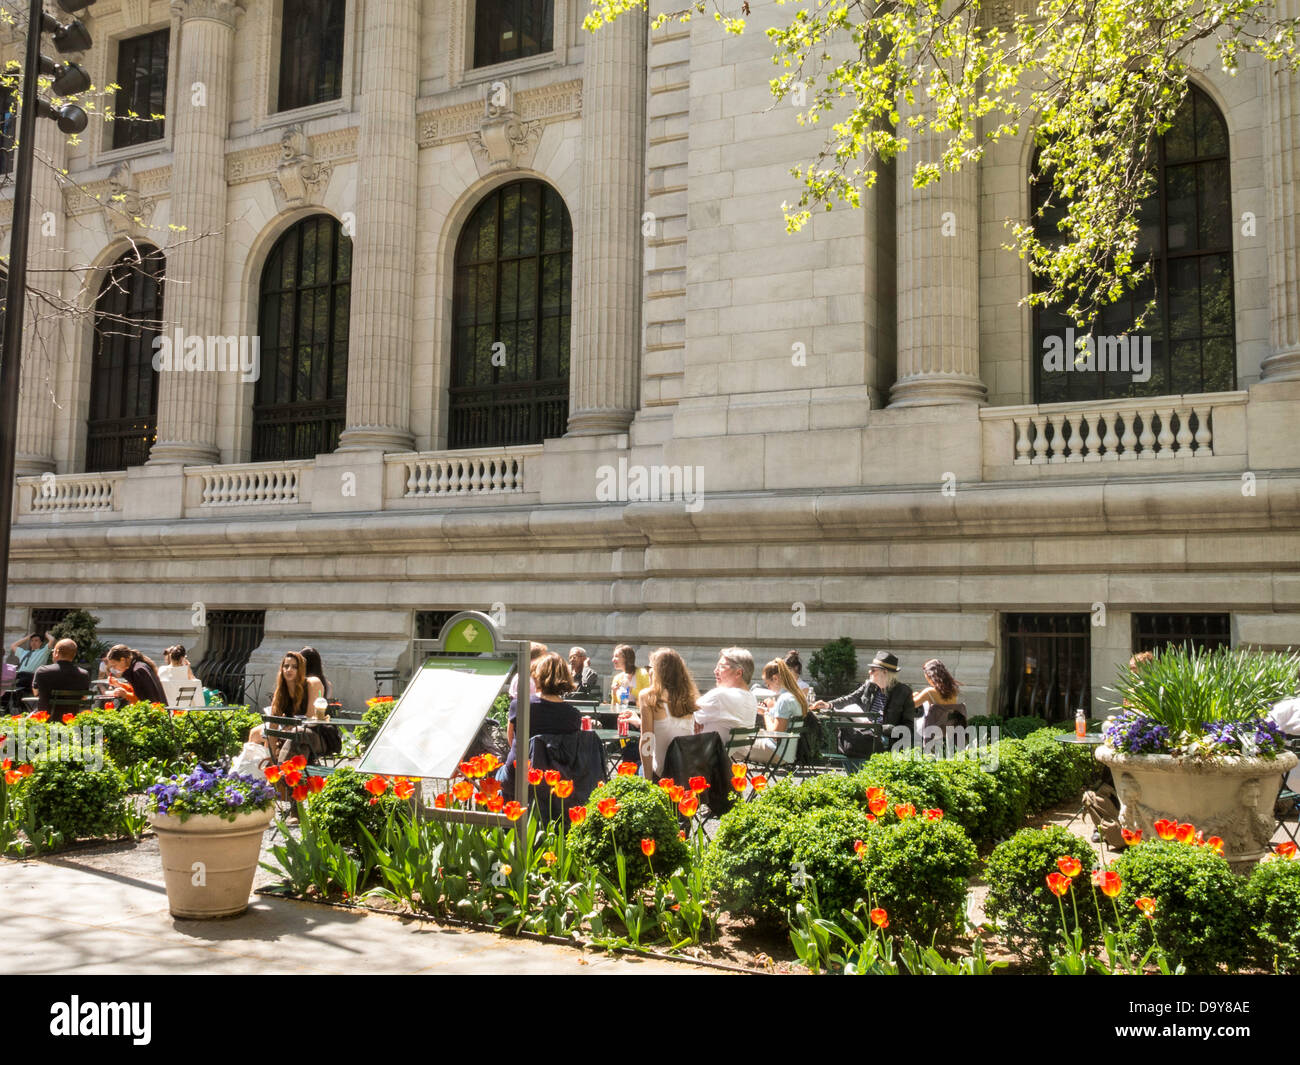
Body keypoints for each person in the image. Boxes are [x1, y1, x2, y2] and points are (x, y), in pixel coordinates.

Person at [811, 650, 916, 753]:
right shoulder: (869, 686)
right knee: (845, 742)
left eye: (873, 670)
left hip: (885, 739)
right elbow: (849, 699)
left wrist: (881, 728)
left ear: (884, 672)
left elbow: (908, 727)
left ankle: (859, 769)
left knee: (851, 746)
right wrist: (828, 705)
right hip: (864, 733)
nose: (869, 672)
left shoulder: (903, 692)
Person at [249, 651, 330, 762]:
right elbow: (273, 724)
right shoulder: (280, 691)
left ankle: (281, 773)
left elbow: (310, 718)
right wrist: (272, 757)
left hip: (316, 733)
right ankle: (258, 771)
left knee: (297, 735)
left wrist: (289, 727)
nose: (289, 670)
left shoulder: (312, 683)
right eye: (286, 666)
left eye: (294, 667)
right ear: (281, 669)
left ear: (301, 669)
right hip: (291, 733)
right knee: (258, 733)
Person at [505, 652, 581, 768]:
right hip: (556, 775)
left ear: (536, 676)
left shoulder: (519, 705)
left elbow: (511, 739)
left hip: (519, 772)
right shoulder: (573, 714)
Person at [635, 647, 699, 778]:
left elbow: (647, 739)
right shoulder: (689, 697)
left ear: (657, 671)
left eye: (650, 667)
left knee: (637, 767)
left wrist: (647, 780)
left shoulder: (648, 696)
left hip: (661, 771)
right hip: (686, 771)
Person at [744, 658, 808, 764]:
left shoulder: (784, 699)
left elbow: (775, 735)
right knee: (745, 736)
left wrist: (766, 713)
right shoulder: (797, 696)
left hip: (776, 752)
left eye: (768, 684)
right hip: (787, 753)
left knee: (733, 744)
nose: (768, 688)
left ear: (775, 678)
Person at [694, 646, 758, 743]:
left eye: (722, 666)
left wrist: (693, 716)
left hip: (701, 754)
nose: (715, 671)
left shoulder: (720, 696)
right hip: (726, 755)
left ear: (738, 673)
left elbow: (685, 713)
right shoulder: (752, 698)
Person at [32, 638, 91, 713]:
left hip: (46, 720)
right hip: (70, 720)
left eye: (53, 651)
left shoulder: (42, 671)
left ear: (56, 653)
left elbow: (36, 693)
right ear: (74, 655)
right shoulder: (84, 674)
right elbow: (84, 697)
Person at [912, 658, 966, 731]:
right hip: (948, 729)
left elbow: (911, 705)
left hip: (931, 729)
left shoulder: (929, 692)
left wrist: (913, 695)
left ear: (929, 676)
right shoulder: (953, 690)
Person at [9, 632, 54, 701]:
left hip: (33, 678)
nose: (33, 642)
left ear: (40, 643)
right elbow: (13, 645)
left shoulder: (43, 652)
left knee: (28, 699)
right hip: (21, 677)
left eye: (36, 640)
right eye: (32, 640)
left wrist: (46, 634)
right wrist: (27, 637)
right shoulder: (23, 652)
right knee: (15, 698)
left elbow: (52, 640)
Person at [609, 644, 650, 708]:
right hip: (622, 714)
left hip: (639, 714)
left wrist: (631, 689)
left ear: (626, 658)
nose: (613, 660)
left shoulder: (643, 674)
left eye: (616, 656)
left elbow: (648, 697)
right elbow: (614, 706)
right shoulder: (617, 678)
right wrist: (614, 693)